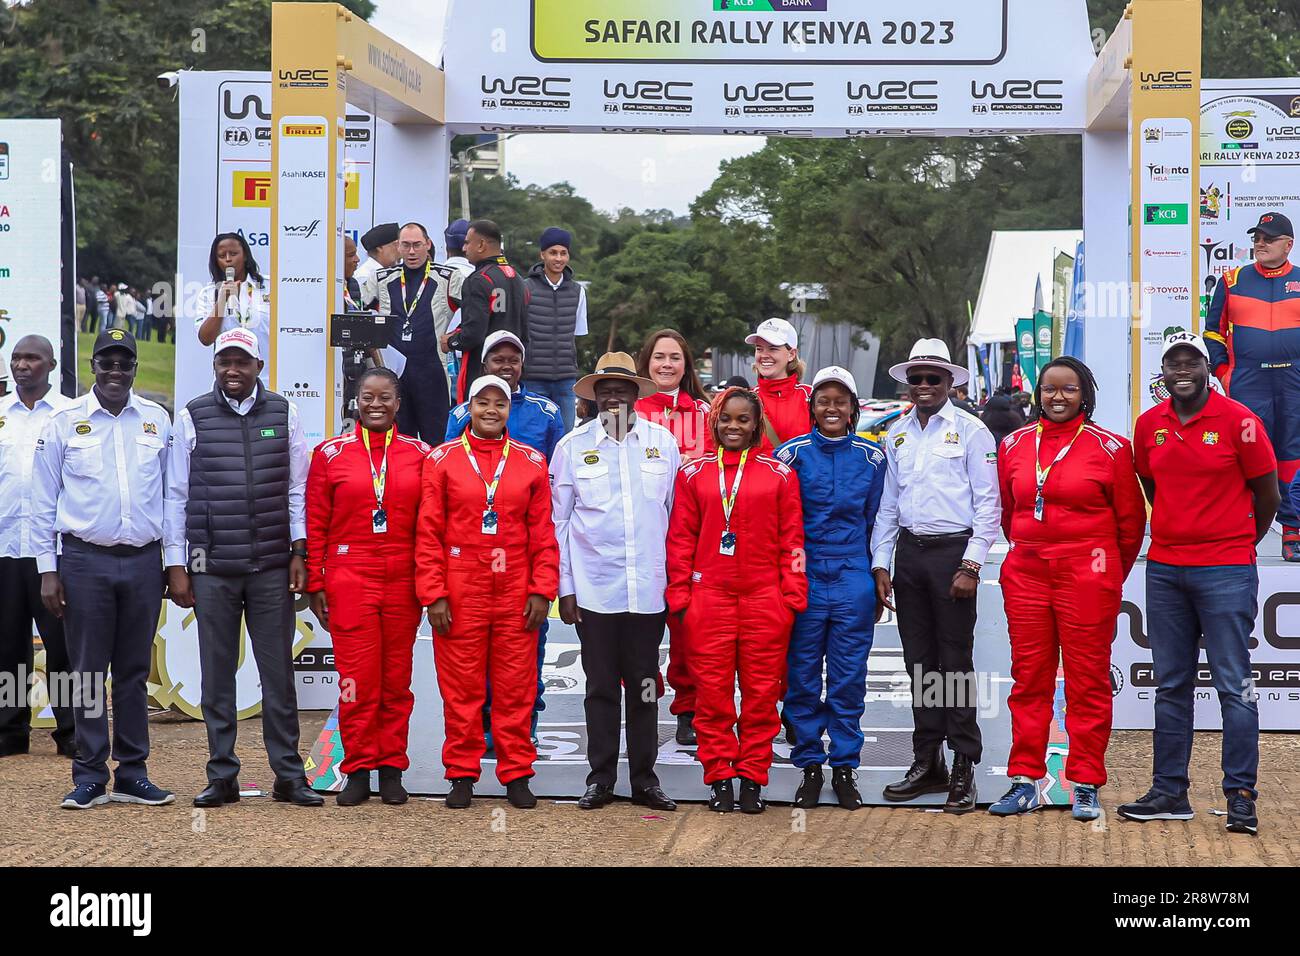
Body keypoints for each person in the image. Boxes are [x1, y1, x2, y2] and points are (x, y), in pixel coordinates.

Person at [1119, 331, 1279, 836]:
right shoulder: (1149, 425)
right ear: (1162, 372)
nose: (1182, 369)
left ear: (1207, 368)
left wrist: (1235, 543)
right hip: (1165, 568)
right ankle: (1169, 791)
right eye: (1173, 362)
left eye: (1192, 361)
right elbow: (1149, 483)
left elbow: (1267, 495)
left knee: (1234, 685)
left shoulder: (1240, 421)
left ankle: (1240, 796)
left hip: (1226, 568)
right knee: (1171, 685)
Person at [163, 329, 321, 808]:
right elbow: (176, 494)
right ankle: (222, 775)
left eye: (242, 362)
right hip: (211, 565)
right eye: (224, 361)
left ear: (258, 367)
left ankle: (289, 776)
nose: (233, 370)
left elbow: (297, 488)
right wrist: (177, 564)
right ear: (215, 366)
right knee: (217, 674)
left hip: (272, 563)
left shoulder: (284, 412)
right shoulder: (191, 415)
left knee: (278, 676)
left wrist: (300, 551)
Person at [989, 357, 1145, 821]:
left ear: (1085, 394)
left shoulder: (1112, 447)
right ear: (1037, 393)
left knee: (1087, 681)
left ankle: (1085, 782)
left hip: (1087, 574)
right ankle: (1024, 779)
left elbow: (1131, 525)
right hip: (1029, 573)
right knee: (1029, 678)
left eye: (1069, 389)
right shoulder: (1014, 443)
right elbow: (1008, 511)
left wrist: (1104, 574)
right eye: (1050, 389)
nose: (1058, 397)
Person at [31, 329, 176, 810]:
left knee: (134, 673)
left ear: (134, 369)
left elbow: (174, 500)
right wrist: (47, 571)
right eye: (107, 363)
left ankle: (133, 773)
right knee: (89, 672)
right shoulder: (64, 421)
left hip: (141, 562)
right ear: (93, 366)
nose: (116, 372)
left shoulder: (156, 419)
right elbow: (41, 501)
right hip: (83, 561)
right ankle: (90, 774)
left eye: (125, 364)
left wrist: (175, 563)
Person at [871, 338, 1000, 813]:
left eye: (933, 378)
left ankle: (965, 764)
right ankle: (929, 762)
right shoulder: (897, 433)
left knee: (956, 664)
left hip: (952, 555)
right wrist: (881, 562)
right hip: (910, 554)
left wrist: (971, 564)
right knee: (919, 664)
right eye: (917, 378)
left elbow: (989, 507)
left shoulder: (972, 431)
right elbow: (888, 505)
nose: (923, 386)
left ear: (950, 382)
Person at [418, 375, 558, 810]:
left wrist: (542, 589)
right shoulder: (441, 460)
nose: (492, 410)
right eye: (483, 403)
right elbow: (428, 532)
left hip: (515, 585)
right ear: (469, 408)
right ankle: (461, 774)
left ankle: (517, 773)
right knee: (461, 687)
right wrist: (434, 593)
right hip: (462, 585)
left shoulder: (531, 461)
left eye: (499, 403)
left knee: (516, 686)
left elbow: (544, 533)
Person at [551, 353, 680, 812]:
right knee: (600, 687)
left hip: (649, 590)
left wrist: (676, 584)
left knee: (645, 688)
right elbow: (559, 523)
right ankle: (601, 778)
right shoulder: (570, 447)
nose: (613, 395)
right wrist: (565, 588)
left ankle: (645, 780)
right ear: (594, 396)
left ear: (635, 395)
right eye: (604, 389)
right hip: (594, 591)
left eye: (622, 388)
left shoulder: (663, 444)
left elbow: (673, 517)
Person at [668, 386, 806, 813]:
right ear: (714, 420)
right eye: (726, 418)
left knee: (762, 694)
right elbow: (680, 539)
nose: (734, 426)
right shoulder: (694, 473)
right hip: (709, 598)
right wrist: (682, 598)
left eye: (743, 419)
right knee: (712, 696)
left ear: (756, 423)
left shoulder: (780, 474)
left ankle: (752, 776)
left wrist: (791, 598)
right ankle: (719, 776)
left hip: (765, 600)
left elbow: (793, 541)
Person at [306, 367, 430, 806]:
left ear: (398, 403)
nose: (375, 404)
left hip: (402, 577)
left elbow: (431, 525)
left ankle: (392, 767)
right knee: (356, 679)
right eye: (367, 397)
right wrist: (315, 580)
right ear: (355, 401)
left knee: (397, 680)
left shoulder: (420, 453)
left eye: (385, 397)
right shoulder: (330, 453)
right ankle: (357, 767)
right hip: (349, 575)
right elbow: (316, 521)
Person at [775, 367, 885, 810]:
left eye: (841, 401)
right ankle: (809, 766)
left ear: (854, 408)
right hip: (803, 574)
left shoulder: (874, 457)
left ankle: (844, 766)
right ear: (812, 408)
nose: (832, 408)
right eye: (823, 400)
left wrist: (878, 572)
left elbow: (882, 520)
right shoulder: (790, 454)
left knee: (847, 678)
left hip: (853, 575)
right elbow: (778, 522)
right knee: (801, 676)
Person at [445, 330, 562, 741]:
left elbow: (556, 475)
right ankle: (477, 731)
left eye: (513, 358)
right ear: (485, 364)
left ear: (522, 364)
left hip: (522, 547)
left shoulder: (547, 412)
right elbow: (447, 476)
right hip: (472, 555)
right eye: (498, 358)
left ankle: (522, 728)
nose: (506, 364)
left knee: (527, 651)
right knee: (472, 656)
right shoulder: (462, 413)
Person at [1204, 212, 1300, 560]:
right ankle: (1241, 535)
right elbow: (1213, 331)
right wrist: (1224, 372)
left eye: (1269, 238)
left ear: (1288, 245)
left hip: (1293, 381)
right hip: (1250, 381)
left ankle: (1293, 532)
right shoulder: (1232, 280)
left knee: (1292, 457)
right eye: (1257, 237)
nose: (1260, 243)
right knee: (1246, 457)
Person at [634, 328, 714, 744]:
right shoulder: (629, 410)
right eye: (659, 357)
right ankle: (642, 708)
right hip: (642, 541)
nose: (666, 365)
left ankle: (688, 707)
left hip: (692, 542)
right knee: (642, 636)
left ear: (687, 365)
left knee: (688, 632)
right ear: (646, 361)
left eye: (675, 358)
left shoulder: (706, 412)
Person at [0, 336, 76, 759]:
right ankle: (10, 732)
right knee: (7, 645)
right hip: (5, 547)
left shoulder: (70, 414)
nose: (22, 365)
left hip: (55, 551)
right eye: (16, 358)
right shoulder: (1, 414)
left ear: (50, 364)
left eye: (31, 358)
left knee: (63, 646)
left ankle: (70, 732)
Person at [382, 222, 457, 445]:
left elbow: (476, 312)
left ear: (428, 245)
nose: (412, 251)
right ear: (398, 246)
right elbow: (357, 310)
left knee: (436, 439)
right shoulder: (382, 279)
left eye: (417, 245)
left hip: (432, 372)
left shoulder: (448, 278)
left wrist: (456, 336)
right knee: (399, 439)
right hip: (395, 374)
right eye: (406, 245)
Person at [448, 219, 531, 402]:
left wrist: (451, 341)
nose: (463, 248)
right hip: (513, 372)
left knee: (477, 420)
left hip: (482, 370)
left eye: (467, 242)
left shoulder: (478, 279)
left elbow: (472, 334)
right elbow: (526, 334)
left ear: (481, 245)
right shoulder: (519, 280)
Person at [522, 227, 587, 432]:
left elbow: (578, 334)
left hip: (566, 379)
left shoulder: (578, 291)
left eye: (563, 253)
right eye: (553, 252)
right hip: (533, 377)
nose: (558, 258)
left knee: (566, 437)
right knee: (536, 435)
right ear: (542, 255)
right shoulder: (525, 288)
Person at [195, 233, 271, 382]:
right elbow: (205, 338)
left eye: (234, 254)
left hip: (267, 380)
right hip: (229, 382)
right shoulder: (209, 293)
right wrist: (222, 300)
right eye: (222, 256)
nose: (228, 259)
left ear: (245, 256)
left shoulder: (270, 286)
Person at [747, 318, 812, 455]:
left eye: (773, 349)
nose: (764, 355)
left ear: (791, 354)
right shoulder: (746, 400)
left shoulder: (812, 398)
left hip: (801, 477)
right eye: (759, 349)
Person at [439, 219, 476, 389]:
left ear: (446, 247)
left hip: (440, 353)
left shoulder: (435, 275)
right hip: (471, 355)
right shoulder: (480, 277)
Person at [356, 222, 401, 311]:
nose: (400, 248)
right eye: (396, 244)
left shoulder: (397, 271)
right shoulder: (365, 276)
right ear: (380, 247)